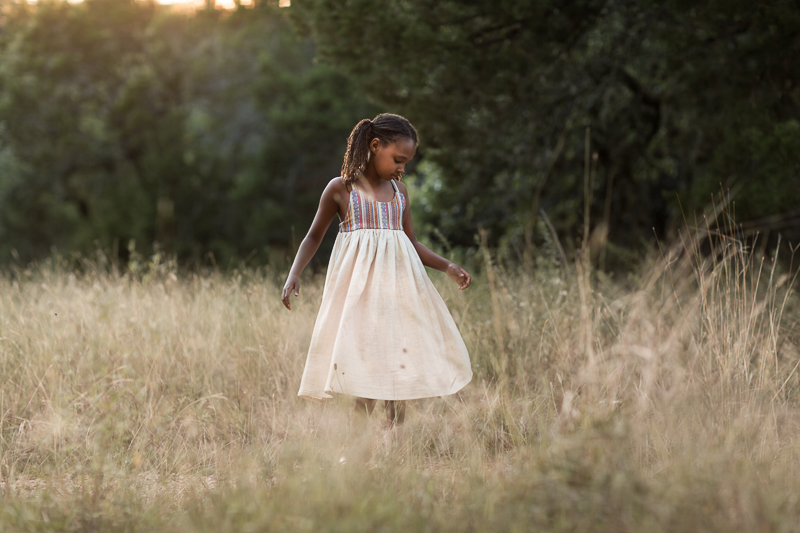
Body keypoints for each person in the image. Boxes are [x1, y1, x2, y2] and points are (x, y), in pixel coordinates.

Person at [281, 113, 472, 430]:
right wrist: (294, 272)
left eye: (406, 162)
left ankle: (394, 444)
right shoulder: (341, 189)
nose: (402, 168)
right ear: (374, 145)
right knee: (366, 374)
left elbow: (410, 242)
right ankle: (359, 449)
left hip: (399, 298)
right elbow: (314, 235)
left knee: (399, 368)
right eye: (398, 159)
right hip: (361, 301)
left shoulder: (400, 193)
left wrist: (447, 266)